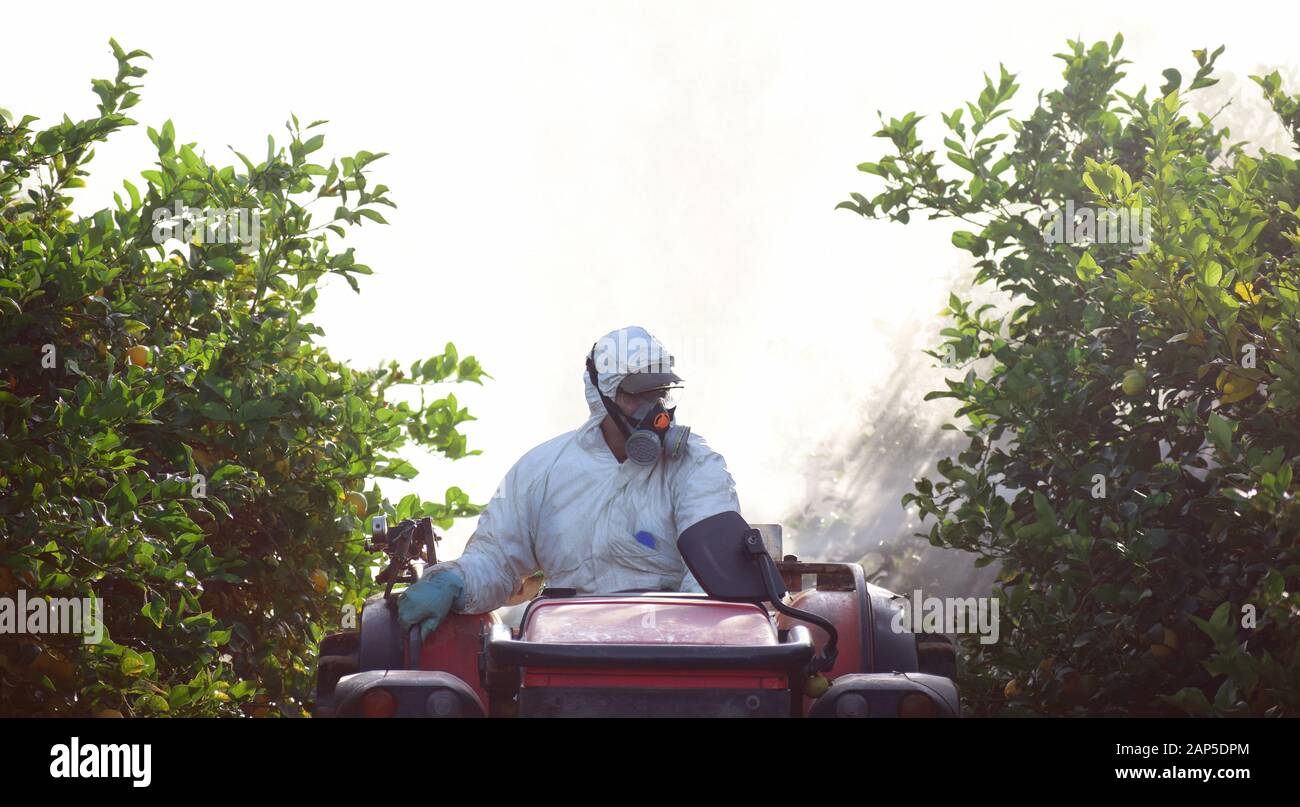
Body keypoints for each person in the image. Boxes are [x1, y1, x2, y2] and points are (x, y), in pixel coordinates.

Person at [397, 325, 741, 640]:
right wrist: (455, 579)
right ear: (601, 397)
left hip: (673, 651)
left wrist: (674, 647)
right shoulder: (542, 471)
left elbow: (709, 579)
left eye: (660, 392)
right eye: (636, 395)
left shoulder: (697, 467)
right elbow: (496, 559)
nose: (654, 408)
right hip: (565, 650)